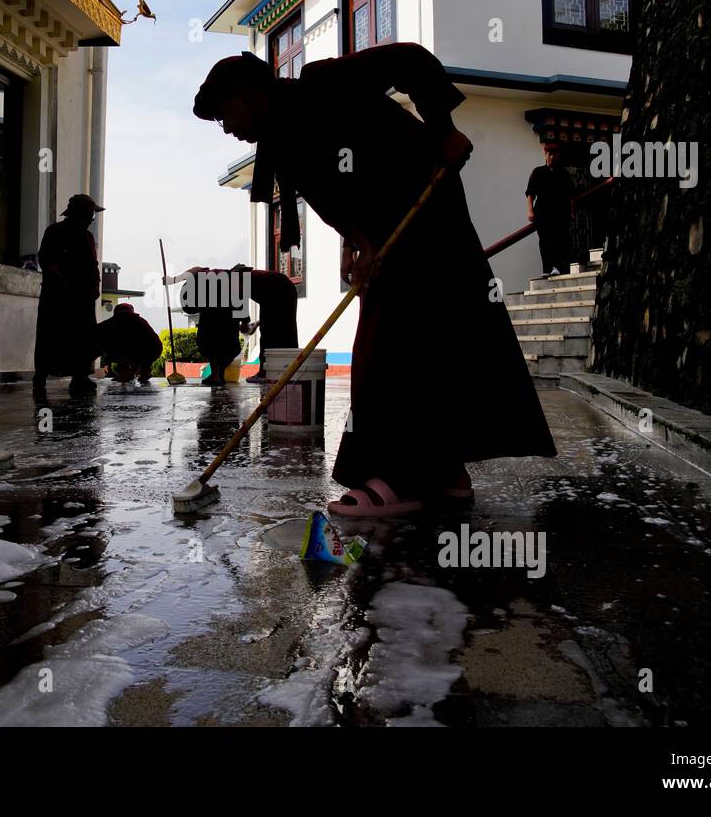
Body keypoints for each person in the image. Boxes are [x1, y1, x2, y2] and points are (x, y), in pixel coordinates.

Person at [194, 45, 555, 516]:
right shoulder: (281, 139)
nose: (228, 129)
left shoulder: (322, 82)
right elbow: (335, 195)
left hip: (423, 203)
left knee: (389, 345)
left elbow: (412, 61)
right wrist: (356, 242)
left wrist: (443, 130)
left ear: (247, 94)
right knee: (432, 339)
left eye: (225, 114)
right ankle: (445, 473)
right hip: (384, 226)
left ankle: (398, 480)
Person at [34, 193, 104, 395]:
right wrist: (65, 285)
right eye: (89, 215)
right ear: (78, 214)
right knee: (50, 336)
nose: (91, 219)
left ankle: (79, 376)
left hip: (83, 298)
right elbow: (47, 262)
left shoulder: (87, 237)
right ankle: (41, 376)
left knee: (82, 339)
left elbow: (93, 265)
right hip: (57, 298)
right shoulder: (55, 232)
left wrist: (95, 287)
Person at [231, 264, 298, 384]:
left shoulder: (238, 279)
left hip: (274, 290)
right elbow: (276, 315)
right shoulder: (255, 277)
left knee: (268, 334)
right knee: (287, 328)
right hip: (287, 288)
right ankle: (291, 370)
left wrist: (245, 323)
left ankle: (264, 373)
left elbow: (240, 303)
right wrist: (257, 323)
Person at [179, 267, 242, 387]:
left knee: (212, 347)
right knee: (226, 347)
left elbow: (189, 307)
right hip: (228, 320)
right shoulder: (228, 277)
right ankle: (218, 374)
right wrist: (244, 321)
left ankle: (215, 375)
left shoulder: (200, 280)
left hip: (213, 321)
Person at [525, 143, 575, 277]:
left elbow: (570, 195)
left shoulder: (564, 173)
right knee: (545, 241)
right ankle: (546, 269)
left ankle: (558, 267)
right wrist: (530, 211)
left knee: (559, 240)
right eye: (549, 154)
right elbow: (530, 193)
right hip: (542, 212)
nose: (552, 157)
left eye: (554, 154)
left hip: (560, 212)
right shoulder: (538, 172)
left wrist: (571, 212)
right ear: (545, 155)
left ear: (558, 156)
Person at [97, 303, 162, 385]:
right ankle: (142, 372)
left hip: (132, 351)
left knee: (109, 345)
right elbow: (155, 343)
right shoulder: (141, 322)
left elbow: (97, 334)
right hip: (148, 351)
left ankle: (127, 371)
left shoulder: (110, 323)